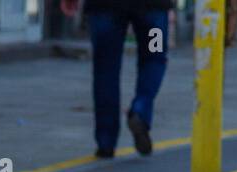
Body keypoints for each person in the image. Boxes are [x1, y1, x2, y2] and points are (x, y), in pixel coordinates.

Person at [62, 0, 174, 159]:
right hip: (153, 9)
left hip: (105, 7)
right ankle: (140, 110)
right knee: (154, 57)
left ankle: (105, 142)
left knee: (105, 69)